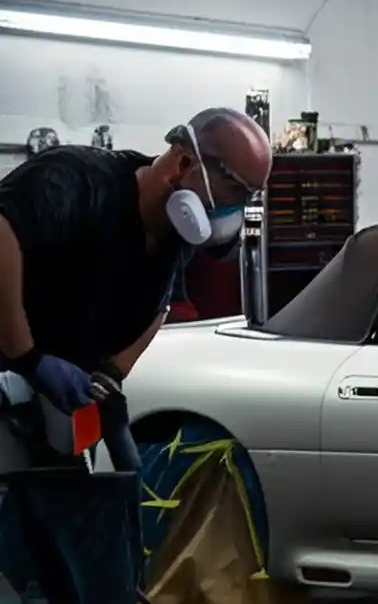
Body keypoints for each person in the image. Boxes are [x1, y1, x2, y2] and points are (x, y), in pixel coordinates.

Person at [0, 107, 272, 468]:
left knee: (59, 506)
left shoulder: (176, 235)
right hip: (11, 376)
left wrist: (113, 372)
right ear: (183, 162)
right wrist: (28, 356)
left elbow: (161, 304)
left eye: (248, 195)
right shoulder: (77, 180)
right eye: (234, 188)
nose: (235, 207)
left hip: (48, 396)